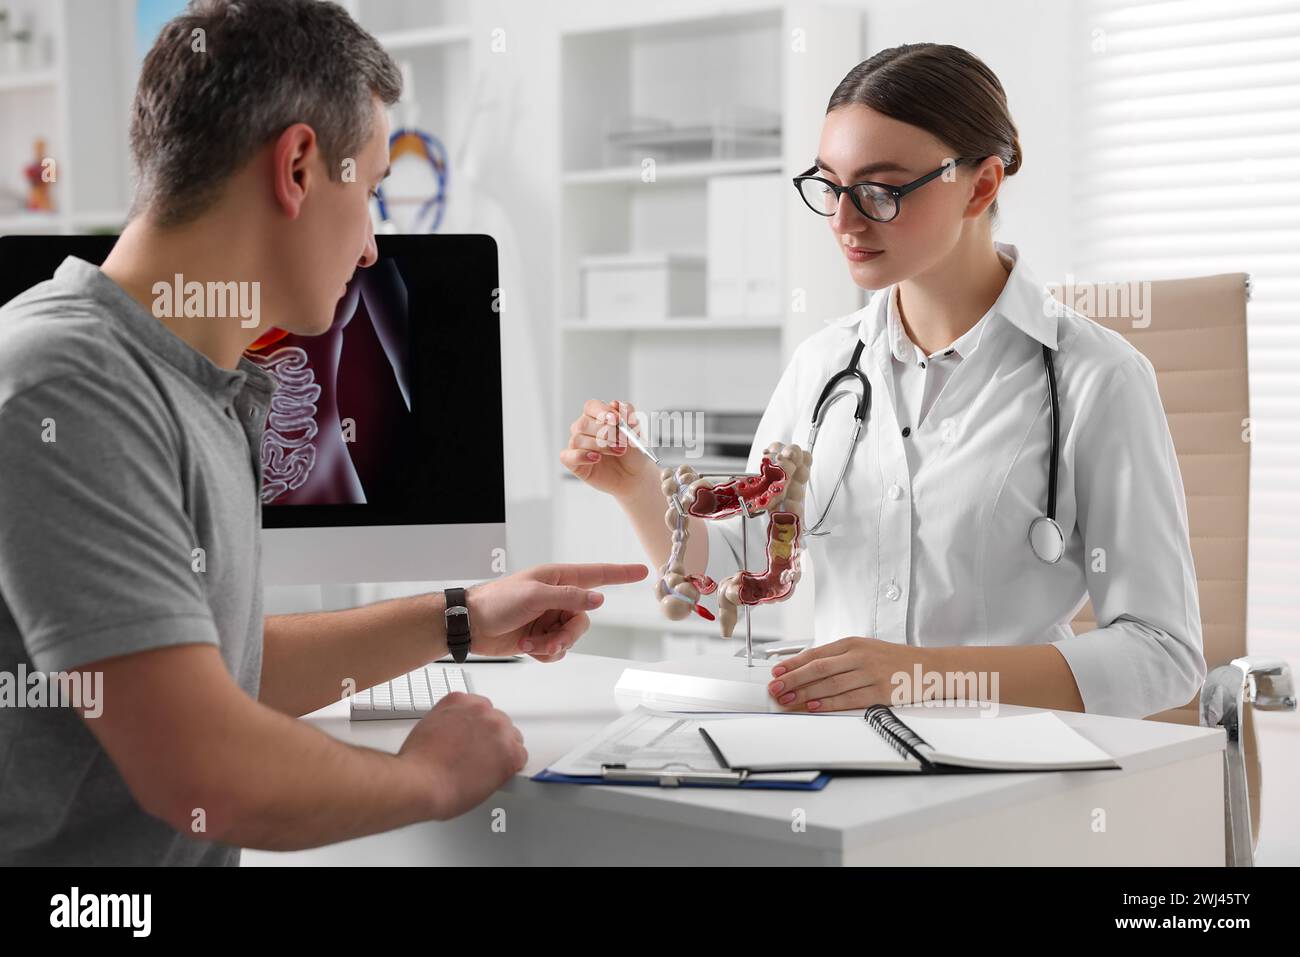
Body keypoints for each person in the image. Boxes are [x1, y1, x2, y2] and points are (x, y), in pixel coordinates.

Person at [0, 0, 646, 866]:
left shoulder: (202, 383)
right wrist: (434, 779)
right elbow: (207, 770)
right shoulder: (64, 383)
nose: (375, 246)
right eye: (372, 189)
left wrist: (461, 618)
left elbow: (214, 668)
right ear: (299, 166)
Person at [563, 43, 1204, 721]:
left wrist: (922, 676)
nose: (843, 220)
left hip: (1006, 777)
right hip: (834, 760)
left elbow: (1162, 653)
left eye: (880, 189)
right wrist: (635, 484)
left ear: (982, 185)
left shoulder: (1097, 378)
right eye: (830, 185)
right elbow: (743, 563)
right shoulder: (823, 367)